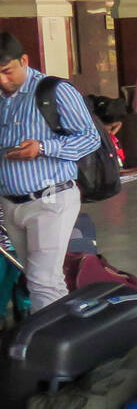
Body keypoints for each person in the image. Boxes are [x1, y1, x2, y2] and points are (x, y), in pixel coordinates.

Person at [0, 32, 102, 311]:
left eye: (7, 72)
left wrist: (43, 148)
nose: (2, 81)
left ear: (24, 60)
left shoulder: (54, 91)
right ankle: (55, 338)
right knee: (34, 278)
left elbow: (90, 138)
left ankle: (50, 347)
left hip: (50, 199)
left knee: (44, 280)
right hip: (10, 203)